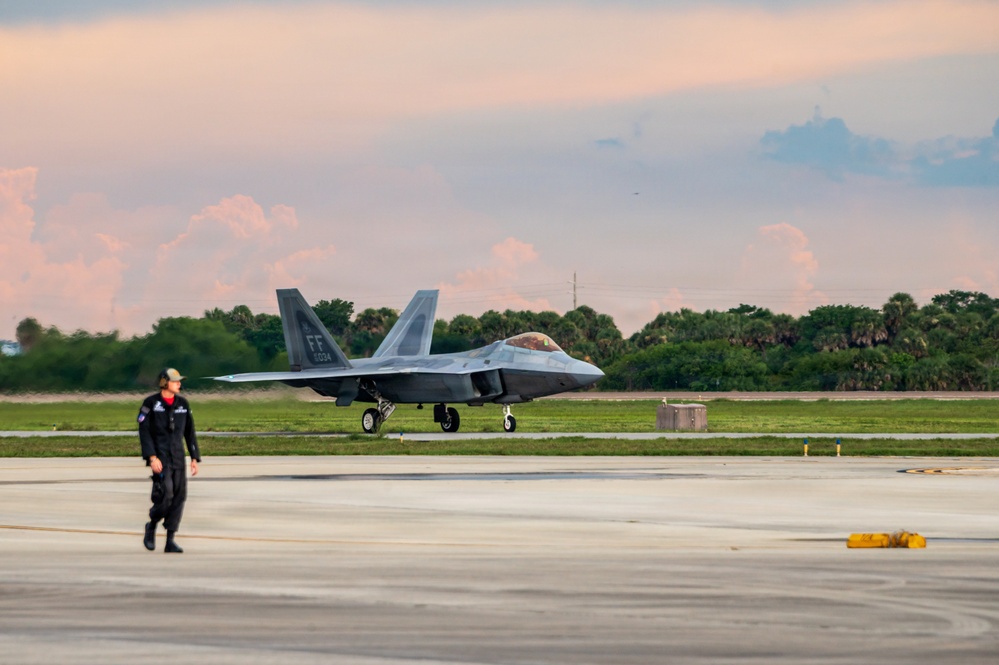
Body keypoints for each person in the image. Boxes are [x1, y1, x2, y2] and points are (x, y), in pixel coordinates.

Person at [138, 368, 200, 553]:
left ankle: (170, 540)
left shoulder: (183, 404)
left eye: (179, 381)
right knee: (166, 496)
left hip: (178, 458)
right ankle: (152, 524)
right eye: (175, 381)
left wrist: (194, 457)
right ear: (164, 383)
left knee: (179, 497)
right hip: (161, 458)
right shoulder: (151, 403)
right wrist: (152, 457)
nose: (179, 384)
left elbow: (189, 432)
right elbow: (144, 432)